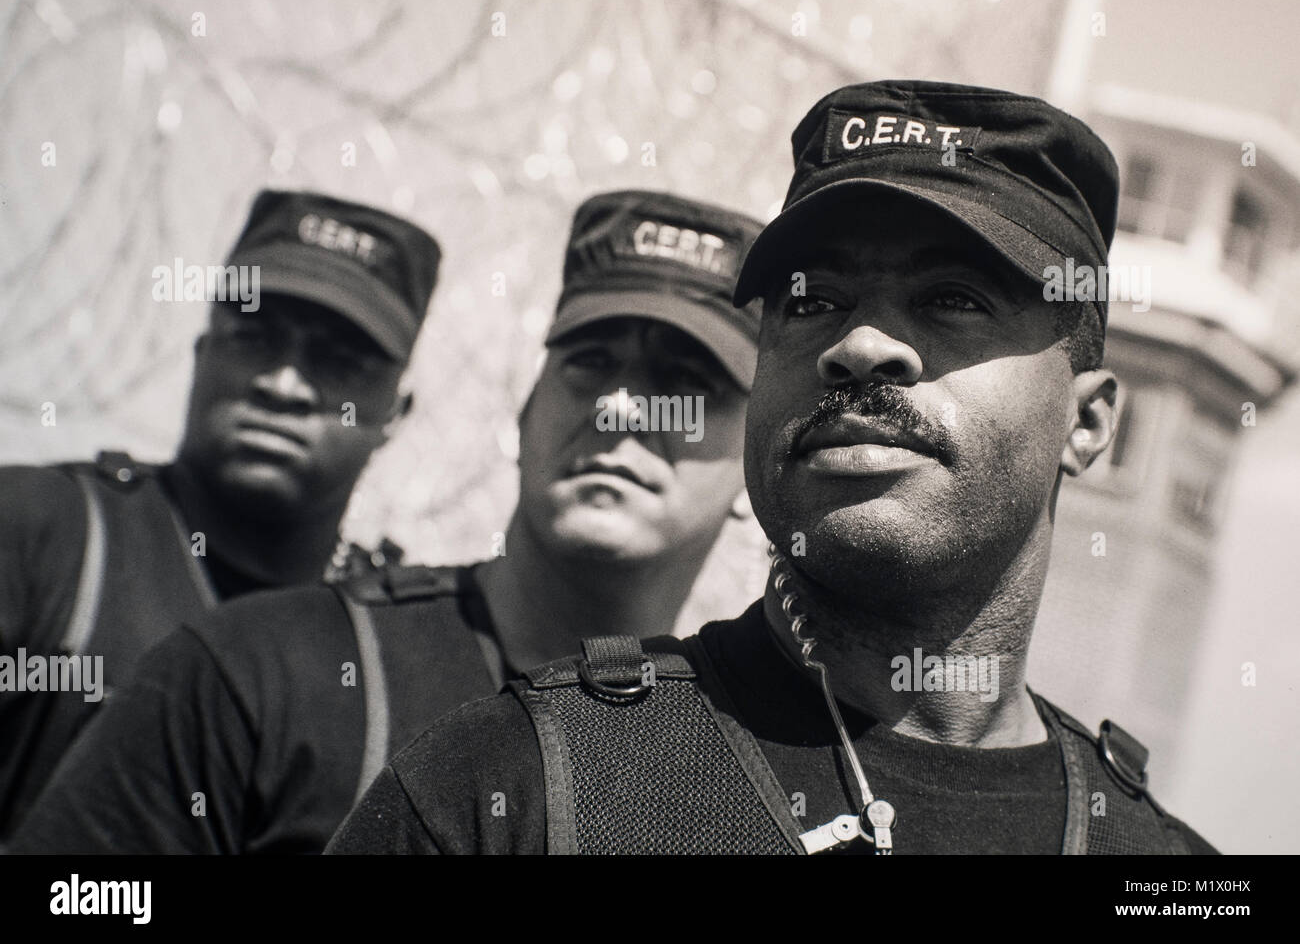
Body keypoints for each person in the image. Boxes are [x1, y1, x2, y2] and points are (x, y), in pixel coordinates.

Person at [325, 81, 1218, 855]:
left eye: (953, 298)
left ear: (1089, 420)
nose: (860, 345)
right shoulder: (510, 791)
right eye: (815, 301)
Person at [8, 190, 764, 854]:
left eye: (686, 381)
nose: (621, 406)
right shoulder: (262, 670)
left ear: (758, 454)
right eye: (589, 361)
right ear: (528, 410)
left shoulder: (739, 775)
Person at [0, 189, 438, 838]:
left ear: (395, 415)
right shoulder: (45, 533)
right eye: (256, 337)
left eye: (338, 360)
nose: (283, 383)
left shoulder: (396, 651)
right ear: (203, 350)